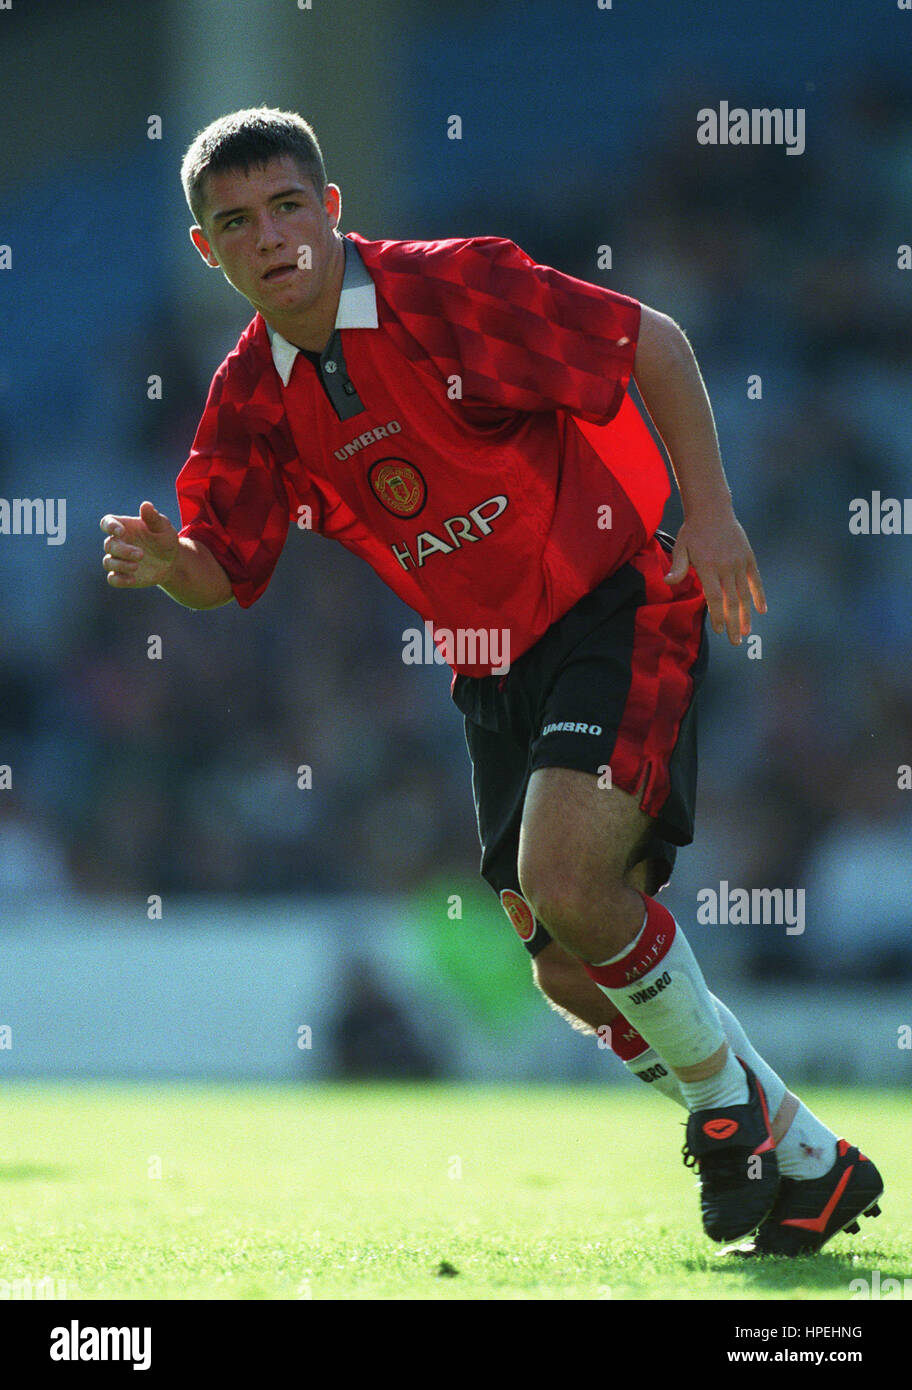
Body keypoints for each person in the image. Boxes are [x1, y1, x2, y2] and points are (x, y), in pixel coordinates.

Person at [100, 107, 882, 1254]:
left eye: (283, 207)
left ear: (329, 209)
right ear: (208, 251)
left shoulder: (450, 289)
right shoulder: (248, 400)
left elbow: (651, 342)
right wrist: (178, 571)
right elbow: (228, 570)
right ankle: (803, 1154)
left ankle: (726, 1118)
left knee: (564, 872)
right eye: (234, 223)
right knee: (569, 968)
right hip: (486, 664)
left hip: (619, 598)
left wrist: (711, 514)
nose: (267, 237)